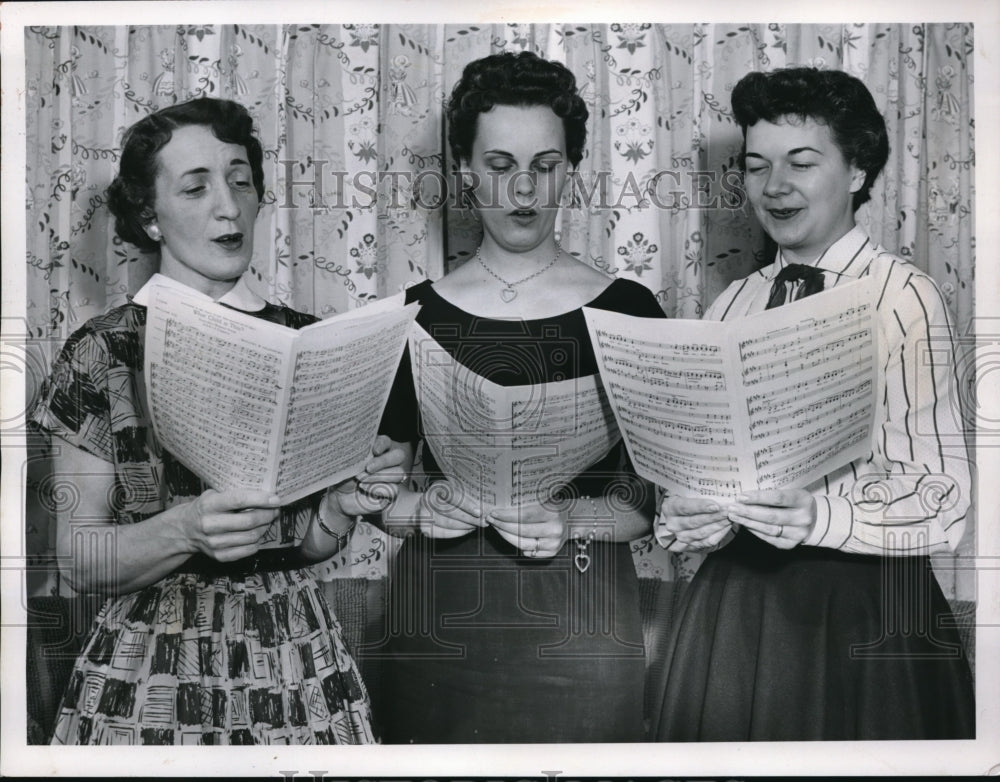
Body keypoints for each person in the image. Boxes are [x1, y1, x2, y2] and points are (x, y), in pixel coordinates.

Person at [30, 97, 404, 745]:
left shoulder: (306, 341)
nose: (228, 206)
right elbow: (79, 558)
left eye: (240, 179)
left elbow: (306, 544)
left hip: (295, 655)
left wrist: (340, 508)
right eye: (196, 186)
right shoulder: (104, 349)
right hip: (150, 664)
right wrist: (184, 529)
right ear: (149, 216)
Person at [652, 67, 975, 741]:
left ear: (857, 172)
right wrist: (690, 515)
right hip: (735, 610)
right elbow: (698, 472)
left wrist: (820, 515)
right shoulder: (731, 303)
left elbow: (943, 499)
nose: (774, 187)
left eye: (801, 162)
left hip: (867, 611)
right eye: (757, 166)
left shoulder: (902, 295)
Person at [375, 51, 665, 743]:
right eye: (500, 166)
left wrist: (570, 517)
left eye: (546, 165)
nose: (525, 191)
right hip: (435, 624)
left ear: (571, 169)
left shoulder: (629, 308)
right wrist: (420, 508)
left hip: (582, 622)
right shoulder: (412, 313)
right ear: (466, 170)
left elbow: (650, 505)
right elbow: (376, 497)